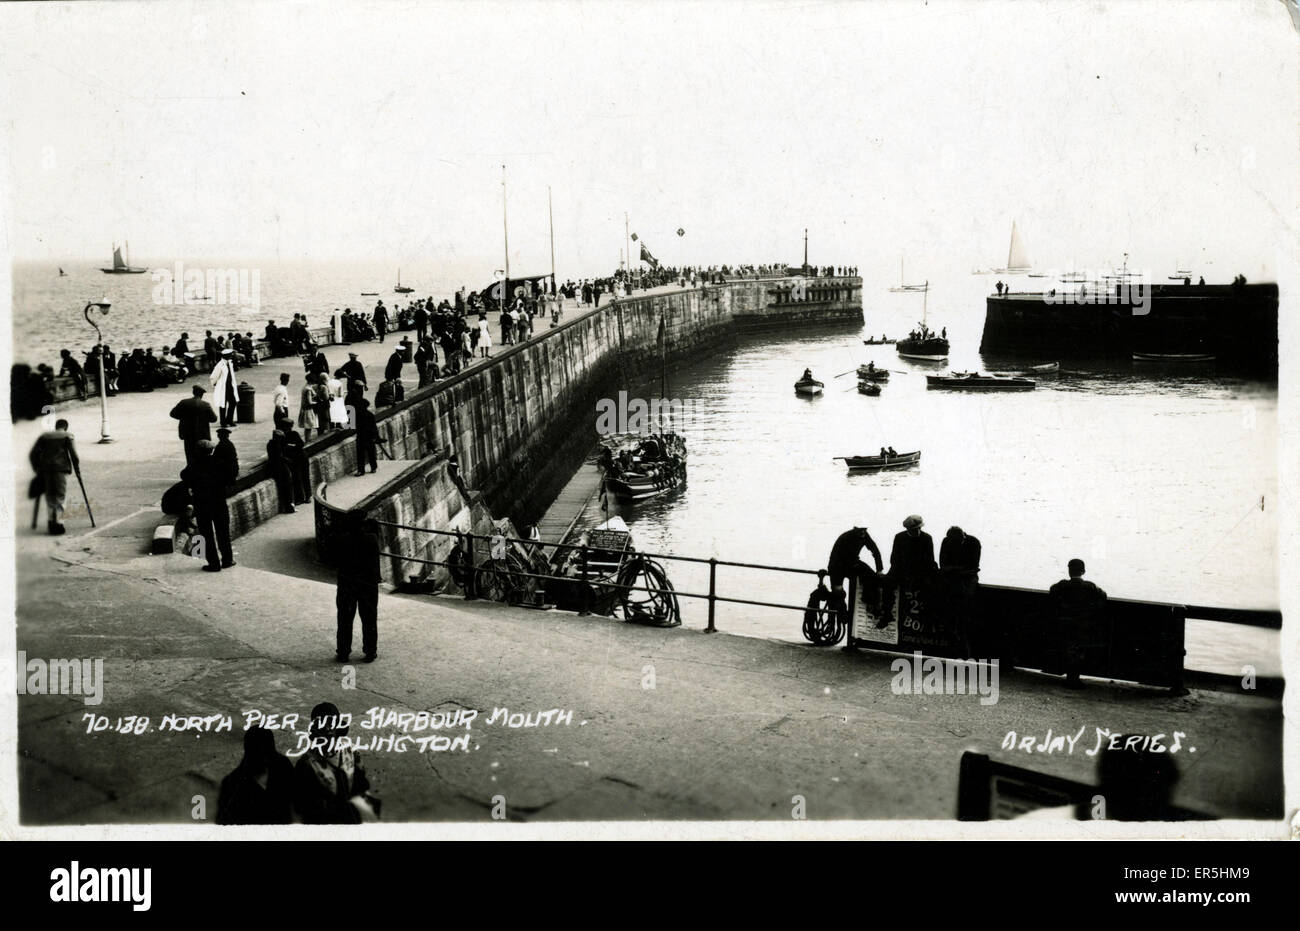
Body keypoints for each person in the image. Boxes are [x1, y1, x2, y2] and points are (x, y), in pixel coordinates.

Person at [293, 701, 378, 823]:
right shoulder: (306, 764)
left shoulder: (352, 752)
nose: (328, 729)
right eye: (323, 724)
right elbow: (301, 806)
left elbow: (360, 786)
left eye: (331, 724)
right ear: (316, 731)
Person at [217, 726, 294, 825]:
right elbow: (224, 824)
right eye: (261, 755)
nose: (266, 760)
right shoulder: (232, 785)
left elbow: (300, 801)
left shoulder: (283, 766)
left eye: (268, 754)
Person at [1049, 558, 1108, 688]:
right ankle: (1074, 679)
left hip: (1064, 624)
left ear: (1069, 571)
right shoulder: (1090, 587)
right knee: (1078, 651)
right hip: (1082, 625)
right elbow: (1103, 596)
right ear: (1083, 571)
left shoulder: (1062, 585)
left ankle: (1070, 678)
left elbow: (1052, 591)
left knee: (1067, 650)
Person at [334, 513, 380, 663]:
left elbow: (337, 561)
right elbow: (375, 562)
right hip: (367, 584)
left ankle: (343, 652)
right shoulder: (371, 539)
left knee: (345, 619)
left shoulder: (342, 540)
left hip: (347, 583)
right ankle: (370, 651)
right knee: (369, 619)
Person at [182, 440, 234, 571]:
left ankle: (214, 563)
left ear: (198, 451)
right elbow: (230, 477)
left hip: (202, 504)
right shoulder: (220, 463)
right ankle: (227, 560)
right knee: (223, 532)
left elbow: (184, 475)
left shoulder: (194, 465)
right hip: (219, 502)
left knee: (207, 535)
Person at [29, 418, 80, 535]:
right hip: (61, 469)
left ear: (56, 426)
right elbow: (74, 455)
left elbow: (33, 454)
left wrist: (36, 468)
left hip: (46, 470)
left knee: (50, 495)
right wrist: (77, 471)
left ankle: (51, 523)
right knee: (60, 496)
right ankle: (58, 523)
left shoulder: (45, 436)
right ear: (66, 427)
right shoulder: (68, 435)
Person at [887, 514, 937, 627]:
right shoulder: (899, 537)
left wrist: (918, 574)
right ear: (908, 529)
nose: (918, 530)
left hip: (921, 570)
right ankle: (887, 613)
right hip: (902, 569)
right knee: (887, 582)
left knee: (931, 586)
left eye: (920, 528)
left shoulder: (927, 538)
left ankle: (930, 617)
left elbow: (930, 559)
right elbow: (894, 558)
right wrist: (904, 574)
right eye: (915, 529)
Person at [939, 526, 982, 657]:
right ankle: (958, 646)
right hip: (954, 578)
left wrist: (953, 569)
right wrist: (957, 570)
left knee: (962, 609)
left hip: (966, 579)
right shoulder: (947, 541)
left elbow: (973, 567)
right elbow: (943, 564)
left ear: (963, 537)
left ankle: (962, 647)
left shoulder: (974, 542)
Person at [170, 385, 218, 466]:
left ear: (193, 392)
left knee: (190, 455)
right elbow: (214, 419)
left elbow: (173, 414)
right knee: (203, 456)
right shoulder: (205, 405)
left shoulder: (184, 402)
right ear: (202, 394)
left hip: (188, 434)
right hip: (202, 435)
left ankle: (191, 471)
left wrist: (184, 418)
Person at [266, 426, 297, 514]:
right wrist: (288, 460)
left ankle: (288, 506)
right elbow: (279, 457)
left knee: (284, 487)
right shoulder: (276, 446)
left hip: (275, 467)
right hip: (280, 468)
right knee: (287, 486)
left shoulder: (270, 444)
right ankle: (289, 507)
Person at [281, 421, 312, 504]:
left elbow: (300, 444)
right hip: (297, 459)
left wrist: (290, 446)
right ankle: (304, 497)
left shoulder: (292, 434)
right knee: (300, 478)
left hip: (299, 459)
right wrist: (293, 446)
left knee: (300, 477)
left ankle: (305, 497)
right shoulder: (290, 434)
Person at [210, 349, 239, 428]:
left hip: (230, 386)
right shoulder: (220, 365)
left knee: (233, 403)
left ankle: (229, 420)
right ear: (225, 356)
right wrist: (214, 384)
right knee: (223, 404)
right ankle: (223, 422)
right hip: (223, 387)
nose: (231, 356)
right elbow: (213, 377)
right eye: (230, 355)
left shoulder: (230, 363)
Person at [351, 395, 379, 476]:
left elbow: (353, 426)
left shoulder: (358, 416)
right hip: (367, 437)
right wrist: (375, 437)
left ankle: (361, 470)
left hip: (363, 437)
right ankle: (373, 467)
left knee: (361, 455)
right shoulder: (369, 415)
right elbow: (374, 427)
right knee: (370, 453)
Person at [298, 372, 320, 440]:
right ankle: (307, 439)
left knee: (307, 427)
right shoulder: (308, 389)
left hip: (304, 408)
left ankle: (307, 439)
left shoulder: (305, 387)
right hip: (308, 409)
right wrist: (317, 403)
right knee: (309, 426)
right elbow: (310, 402)